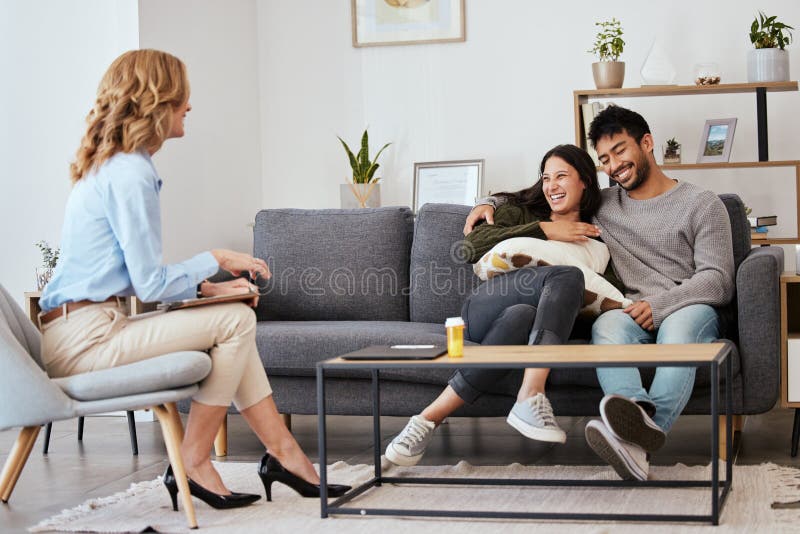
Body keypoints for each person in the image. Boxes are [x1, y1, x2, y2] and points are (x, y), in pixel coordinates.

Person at [38, 49, 349, 511]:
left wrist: (211, 287)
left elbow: (123, 274)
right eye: (182, 96)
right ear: (157, 100)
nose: (188, 106)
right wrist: (217, 258)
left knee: (232, 317)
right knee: (236, 323)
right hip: (88, 340)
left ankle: (285, 455)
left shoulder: (115, 165)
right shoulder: (131, 173)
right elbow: (150, 285)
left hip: (79, 329)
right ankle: (196, 460)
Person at [463, 105, 735, 481]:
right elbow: (541, 197)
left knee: (679, 332)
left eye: (620, 151)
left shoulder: (703, 205)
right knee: (606, 327)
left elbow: (718, 279)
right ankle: (633, 423)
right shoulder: (604, 205)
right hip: (627, 310)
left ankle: (636, 441)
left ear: (647, 143)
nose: (614, 166)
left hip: (688, 305)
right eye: (605, 159)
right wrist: (488, 203)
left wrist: (659, 305)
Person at [385, 144, 621, 467]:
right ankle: (531, 394)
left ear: (585, 182)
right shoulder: (519, 213)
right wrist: (546, 230)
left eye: (562, 176)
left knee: (524, 314)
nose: (551, 185)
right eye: (546, 177)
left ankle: (424, 421)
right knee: (567, 276)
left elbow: (606, 296)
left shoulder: (597, 241)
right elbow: (471, 246)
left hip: (523, 322)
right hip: (486, 307)